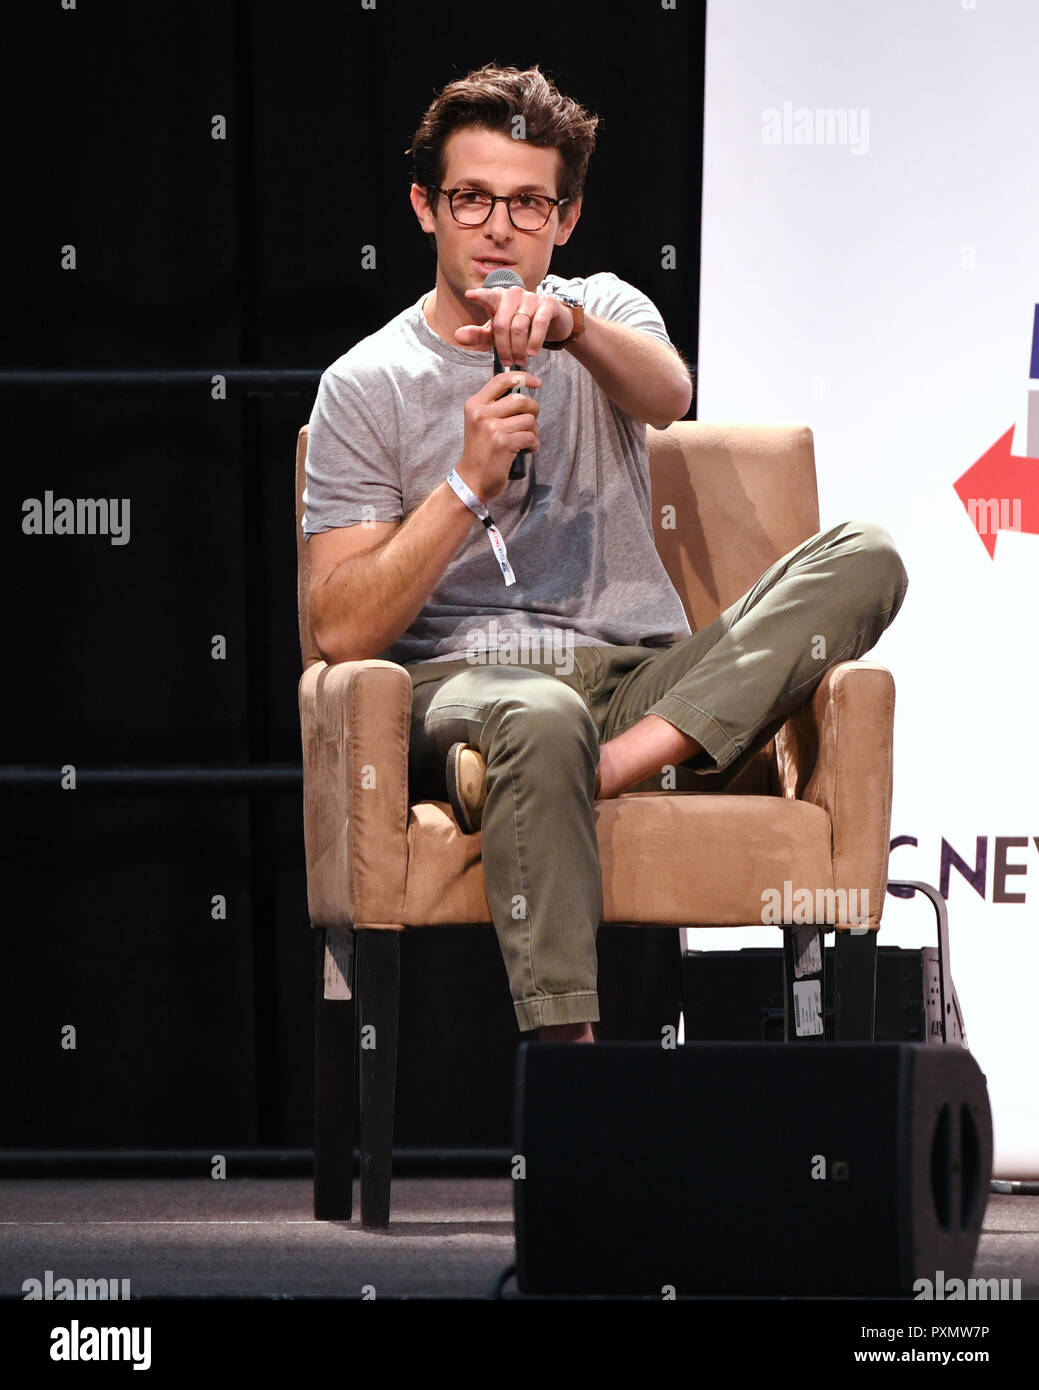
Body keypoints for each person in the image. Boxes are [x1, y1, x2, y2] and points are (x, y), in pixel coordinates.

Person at [303, 63, 908, 1045]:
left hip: (644, 679)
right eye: (471, 198)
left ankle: (605, 765)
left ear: (565, 218)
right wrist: (463, 487)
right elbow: (338, 628)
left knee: (868, 552)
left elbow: (669, 396)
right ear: (424, 206)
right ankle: (576, 1084)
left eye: (528, 203)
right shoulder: (366, 385)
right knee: (537, 712)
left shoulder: (604, 311)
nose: (499, 227)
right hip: (474, 684)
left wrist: (572, 330)